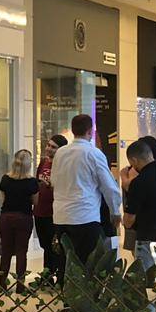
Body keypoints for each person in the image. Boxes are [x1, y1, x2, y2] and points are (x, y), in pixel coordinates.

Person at [50, 113, 122, 266]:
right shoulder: (93, 153)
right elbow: (109, 187)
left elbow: (53, 181)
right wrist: (115, 211)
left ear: (73, 130)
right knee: (88, 264)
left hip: (61, 216)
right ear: (90, 131)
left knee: (66, 263)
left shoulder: (60, 153)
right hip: (85, 215)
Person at [0, 150, 39, 293]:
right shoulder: (32, 182)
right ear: (29, 164)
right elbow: (35, 202)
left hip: (6, 217)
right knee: (21, 252)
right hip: (24, 218)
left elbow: (3, 199)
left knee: (6, 251)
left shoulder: (5, 179)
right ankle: (20, 286)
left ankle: (2, 283)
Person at [33, 134, 68, 287]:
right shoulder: (43, 163)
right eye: (48, 145)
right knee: (46, 246)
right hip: (40, 210)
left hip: (55, 213)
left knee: (56, 247)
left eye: (53, 147)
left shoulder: (63, 166)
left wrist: (50, 185)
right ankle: (47, 276)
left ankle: (60, 276)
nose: (49, 149)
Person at [123, 137, 156, 274]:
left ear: (134, 160)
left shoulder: (139, 182)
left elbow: (129, 219)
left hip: (146, 237)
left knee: (145, 279)